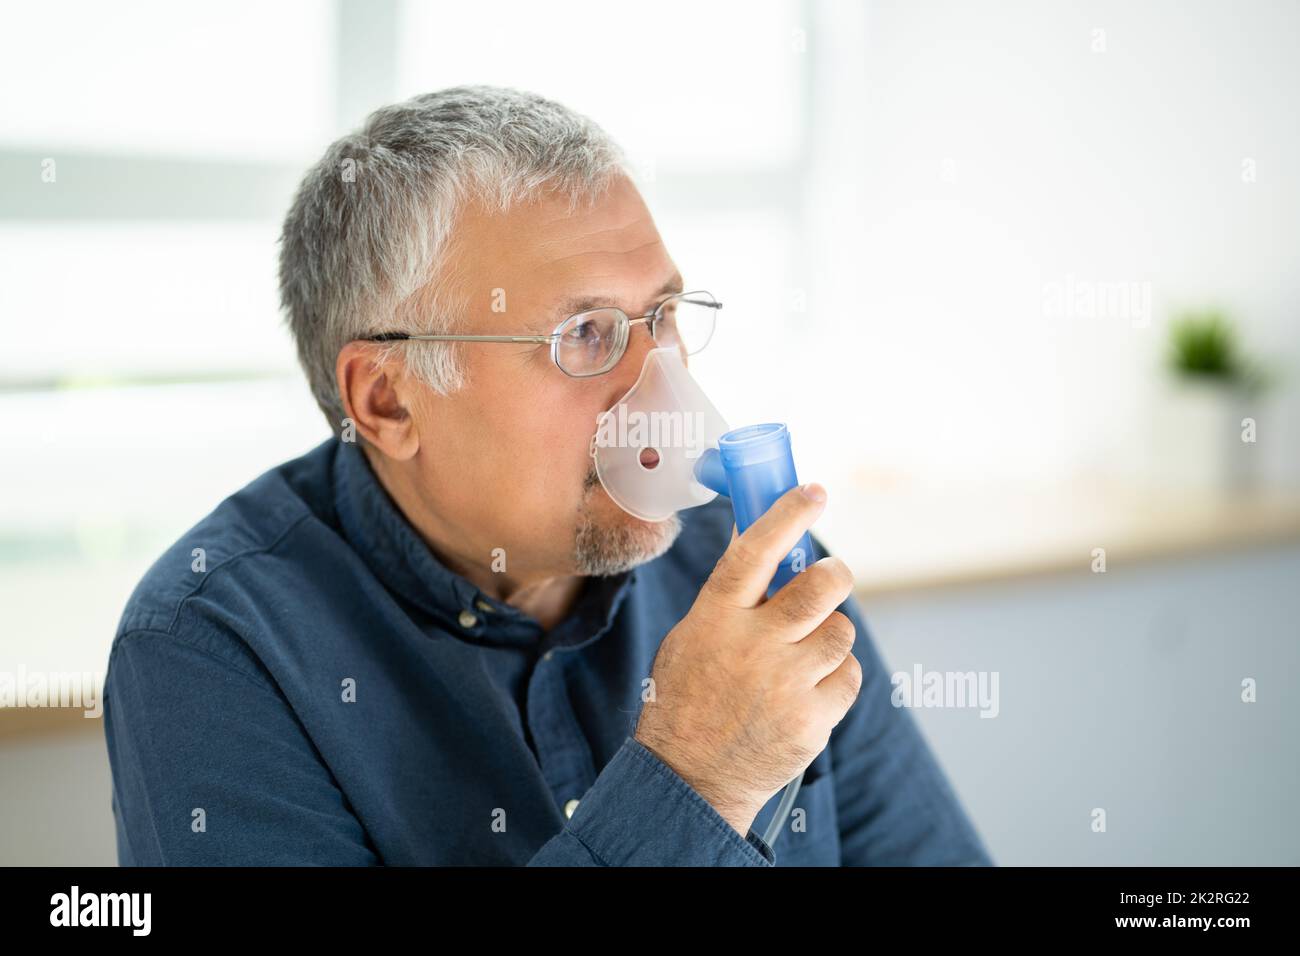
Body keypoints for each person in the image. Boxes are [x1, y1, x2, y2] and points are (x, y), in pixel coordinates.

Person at [104, 85, 992, 866]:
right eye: (586, 334)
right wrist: (694, 781)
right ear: (388, 400)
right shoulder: (211, 647)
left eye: (664, 317)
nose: (667, 390)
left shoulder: (747, 571)